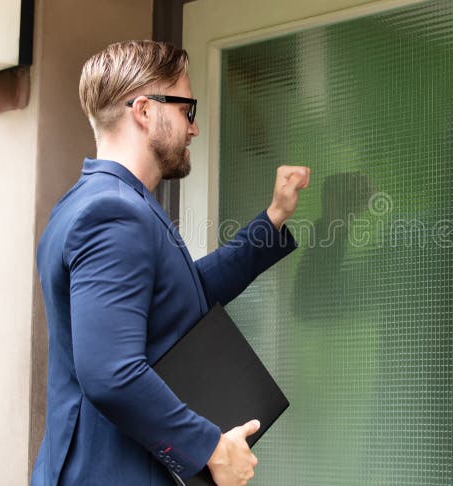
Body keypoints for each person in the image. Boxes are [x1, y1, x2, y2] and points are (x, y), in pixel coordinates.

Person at [30, 40, 310, 485]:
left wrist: (272, 219)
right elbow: (110, 374)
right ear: (144, 110)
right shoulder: (113, 213)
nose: (194, 129)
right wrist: (211, 448)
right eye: (186, 110)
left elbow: (181, 293)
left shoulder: (99, 202)